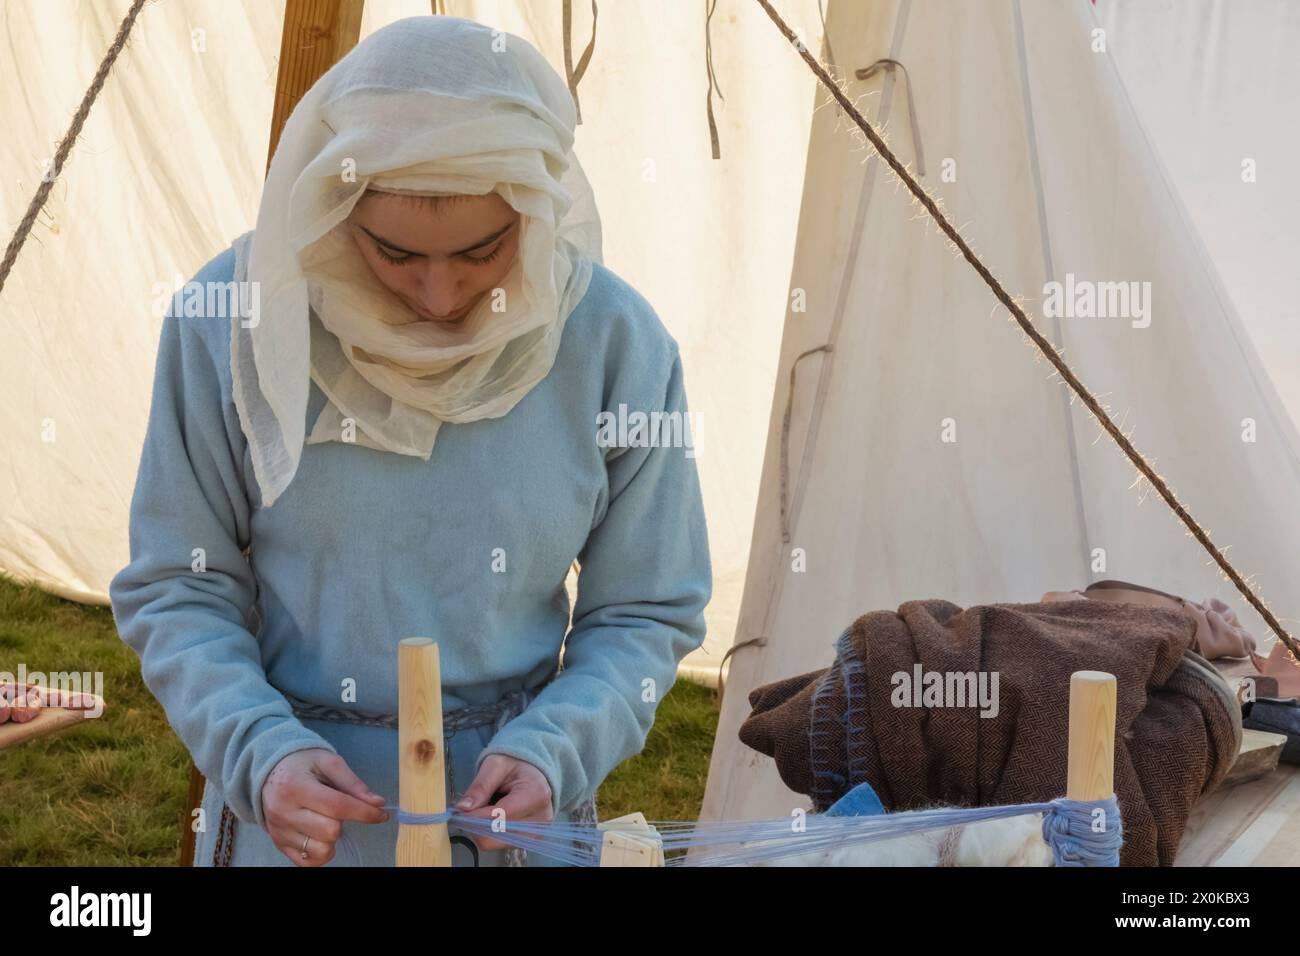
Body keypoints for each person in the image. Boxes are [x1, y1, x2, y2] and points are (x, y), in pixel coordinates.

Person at [109, 15, 712, 867]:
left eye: (482, 250)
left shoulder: (614, 343)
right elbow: (177, 584)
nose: (438, 295)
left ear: (535, 208)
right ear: (332, 202)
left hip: (515, 828)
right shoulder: (233, 323)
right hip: (300, 831)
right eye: (392, 252)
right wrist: (261, 752)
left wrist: (554, 750)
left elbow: (647, 609)